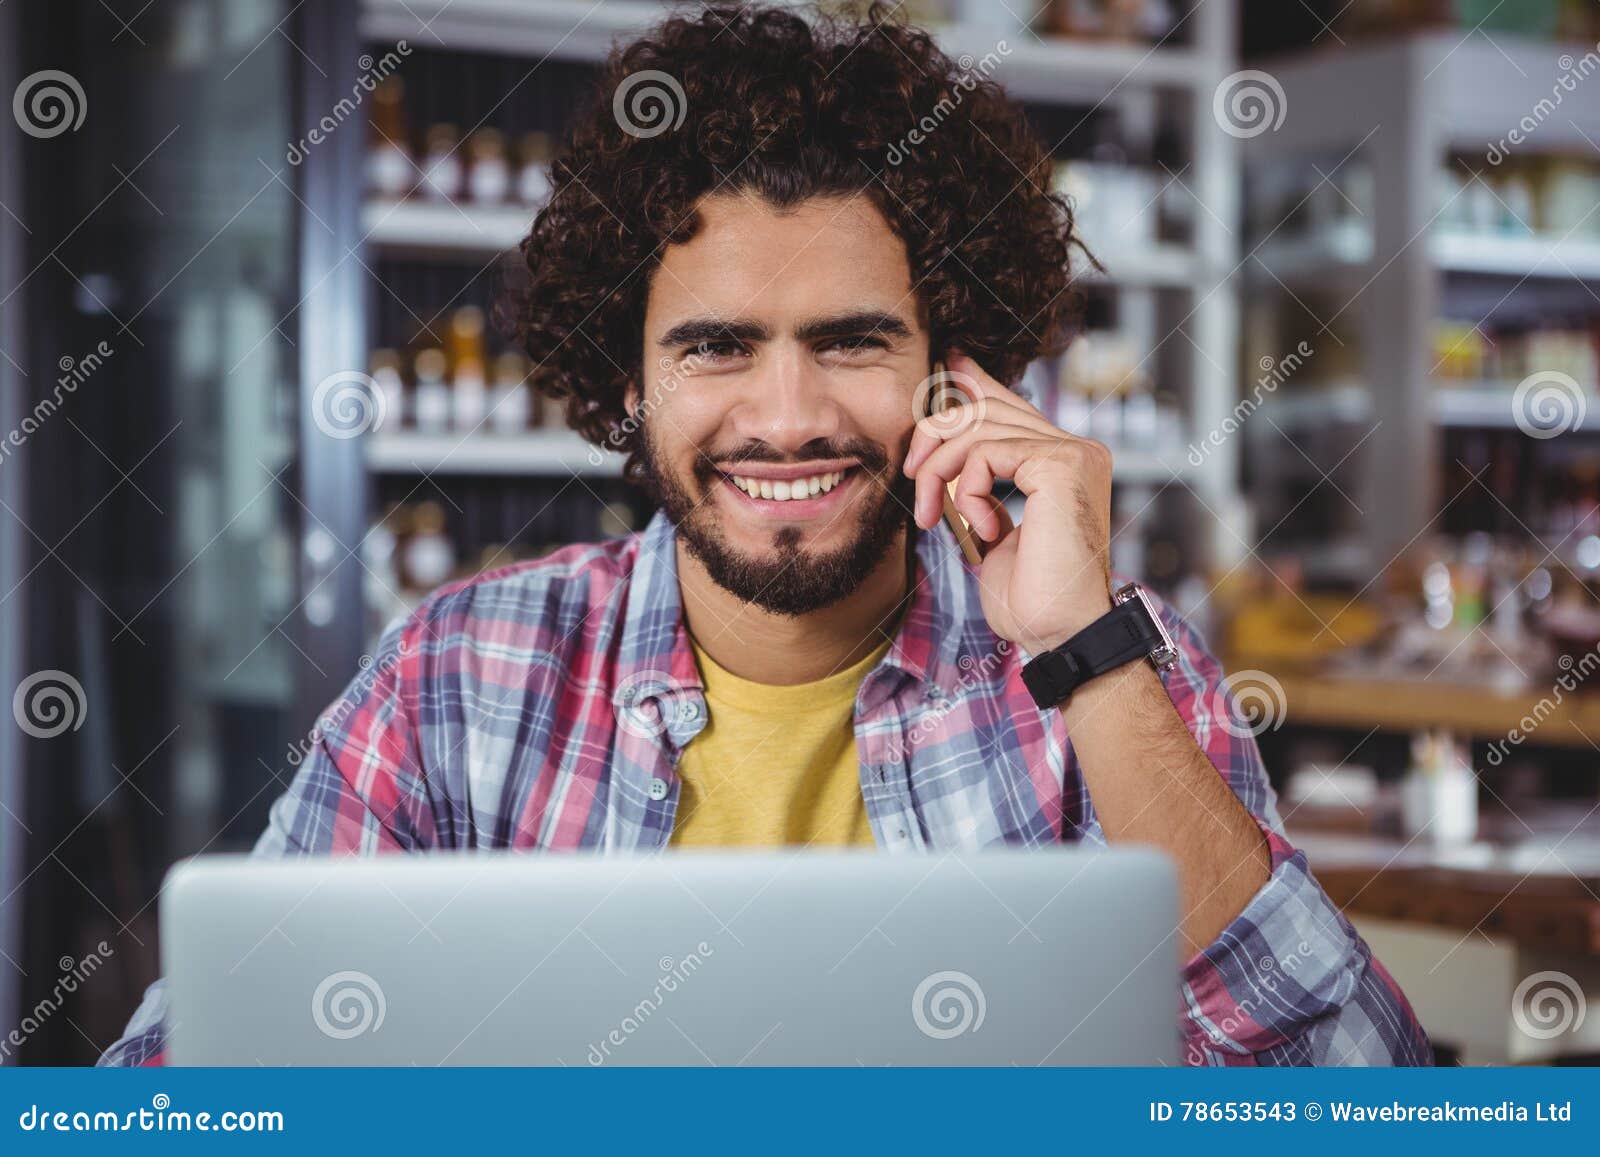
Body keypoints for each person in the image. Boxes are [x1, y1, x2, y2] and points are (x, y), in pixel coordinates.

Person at [101, 1, 1430, 1067]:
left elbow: (1371, 1092)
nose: (786, 417)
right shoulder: (455, 678)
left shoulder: (1110, 673)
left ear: (954, 372)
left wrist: (1082, 647)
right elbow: (171, 1087)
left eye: (851, 341)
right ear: (628, 381)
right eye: (716, 347)